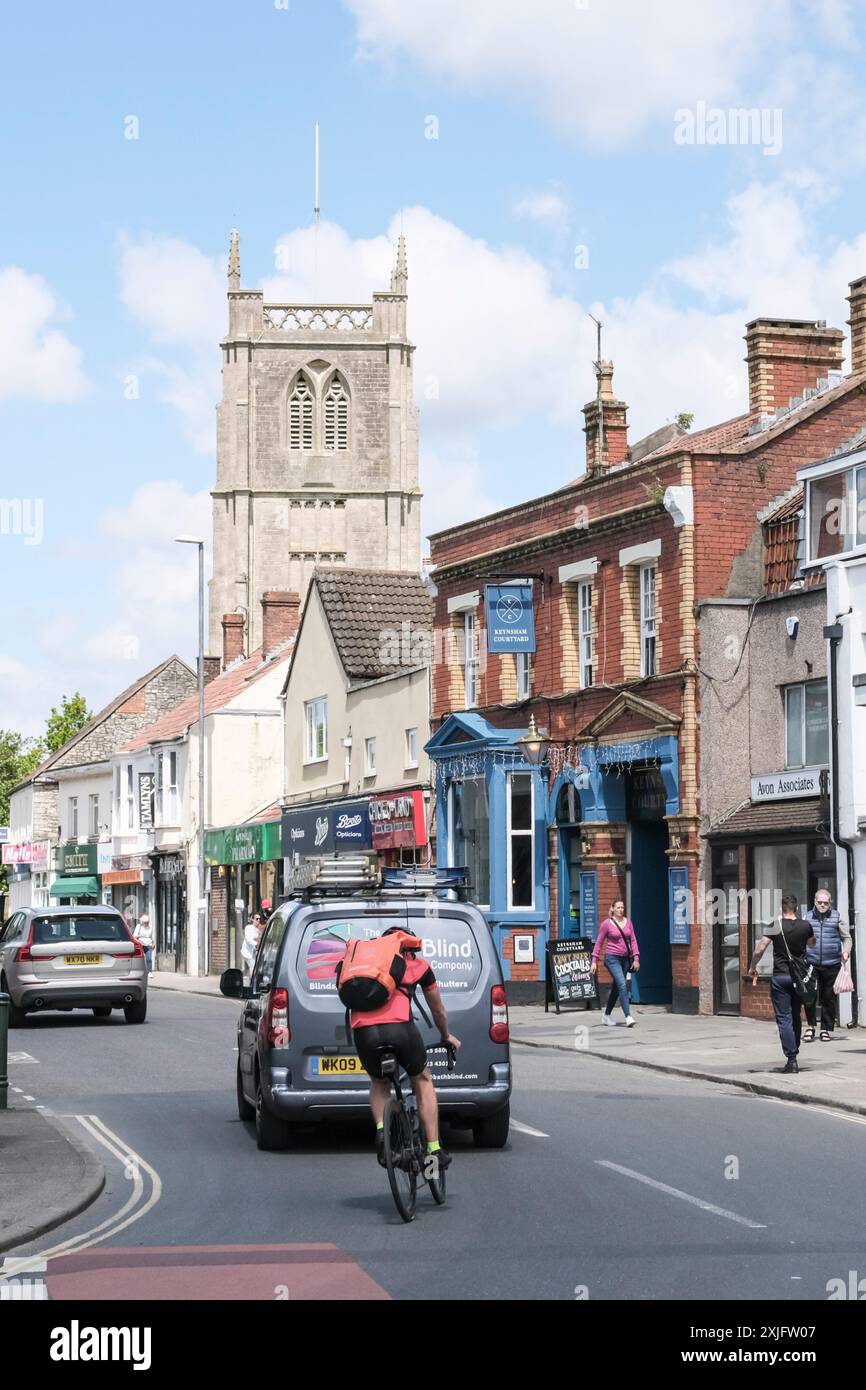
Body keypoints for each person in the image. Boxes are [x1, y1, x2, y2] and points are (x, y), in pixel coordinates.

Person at [350, 928, 461, 1171]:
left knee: (379, 1083)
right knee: (422, 1079)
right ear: (410, 948)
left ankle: (382, 1132)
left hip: (363, 1033)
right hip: (400, 1030)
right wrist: (446, 1035)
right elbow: (438, 1009)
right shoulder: (417, 965)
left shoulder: (365, 967)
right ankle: (434, 1150)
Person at [749, 894, 815, 1074]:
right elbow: (812, 944)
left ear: (781, 909)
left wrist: (753, 966)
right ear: (797, 909)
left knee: (783, 1018)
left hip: (780, 977)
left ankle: (791, 1058)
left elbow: (760, 948)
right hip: (798, 978)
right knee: (795, 1015)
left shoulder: (775, 925)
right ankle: (795, 1051)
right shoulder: (805, 925)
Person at [802, 889, 852, 1043]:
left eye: (826, 902)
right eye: (820, 902)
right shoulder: (807, 917)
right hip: (812, 963)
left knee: (828, 998)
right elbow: (802, 938)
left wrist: (846, 952)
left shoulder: (837, 917)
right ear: (815, 902)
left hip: (832, 964)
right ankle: (811, 1026)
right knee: (810, 996)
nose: (823, 905)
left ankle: (825, 1029)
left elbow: (847, 938)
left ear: (830, 903)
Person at [591, 899, 640, 1027]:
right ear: (612, 909)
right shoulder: (607, 924)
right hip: (611, 958)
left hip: (625, 959)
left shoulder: (628, 922)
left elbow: (633, 940)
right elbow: (599, 943)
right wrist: (594, 961)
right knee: (622, 984)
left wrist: (636, 958)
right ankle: (628, 1016)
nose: (620, 910)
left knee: (617, 988)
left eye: (622, 908)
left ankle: (606, 1016)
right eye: (618, 907)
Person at [241, 913, 263, 981]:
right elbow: (248, 939)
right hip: (247, 952)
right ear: (252, 919)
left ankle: (250, 980)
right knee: (253, 966)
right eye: (256, 919)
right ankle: (252, 982)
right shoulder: (249, 928)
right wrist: (256, 944)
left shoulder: (258, 929)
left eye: (259, 919)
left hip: (254, 953)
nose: (258, 920)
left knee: (255, 967)